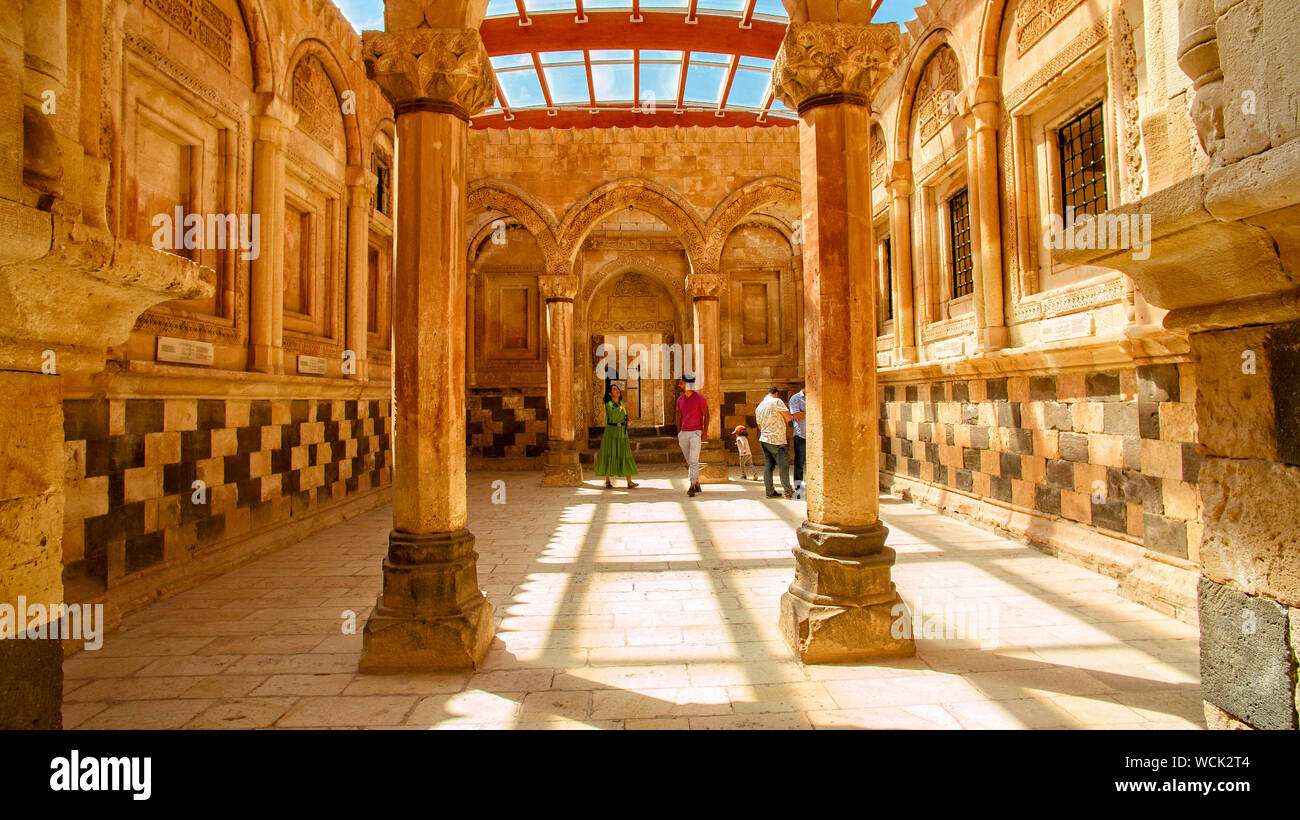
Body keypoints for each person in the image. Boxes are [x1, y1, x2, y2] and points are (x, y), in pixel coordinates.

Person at [595, 383, 638, 489]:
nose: (617, 390)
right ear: (610, 393)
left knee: (625, 454)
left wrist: (627, 420)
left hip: (621, 432)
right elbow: (613, 416)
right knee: (609, 454)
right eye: (614, 389)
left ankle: (629, 481)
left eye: (617, 388)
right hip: (611, 432)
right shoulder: (609, 404)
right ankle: (608, 481)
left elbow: (622, 415)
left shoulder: (621, 403)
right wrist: (623, 406)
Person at [755, 386, 794, 498]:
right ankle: (788, 491)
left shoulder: (760, 406)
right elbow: (788, 418)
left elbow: (759, 426)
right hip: (776, 439)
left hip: (764, 438)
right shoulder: (777, 401)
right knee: (783, 466)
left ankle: (770, 491)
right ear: (776, 393)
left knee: (769, 466)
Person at [675, 375, 709, 497]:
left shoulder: (700, 398)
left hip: (696, 433)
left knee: (693, 460)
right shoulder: (680, 400)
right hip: (684, 433)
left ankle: (692, 485)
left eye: (681, 383)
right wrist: (679, 432)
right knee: (690, 461)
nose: (679, 385)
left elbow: (707, 415)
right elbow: (678, 416)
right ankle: (697, 482)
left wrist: (704, 432)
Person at [789, 383, 807, 490]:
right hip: (801, 434)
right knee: (799, 463)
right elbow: (795, 414)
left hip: (812, 434)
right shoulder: (795, 398)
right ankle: (799, 488)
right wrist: (811, 411)